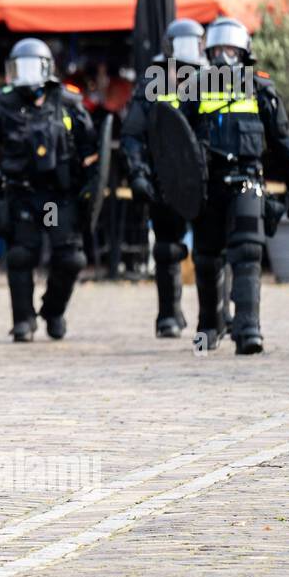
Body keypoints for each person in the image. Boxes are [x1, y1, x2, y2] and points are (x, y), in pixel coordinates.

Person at [186, 17, 289, 354]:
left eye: (231, 48)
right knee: (207, 258)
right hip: (207, 186)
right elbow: (174, 143)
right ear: (209, 51)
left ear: (244, 51)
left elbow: (283, 143)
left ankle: (248, 328)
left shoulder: (261, 88)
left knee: (247, 252)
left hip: (247, 182)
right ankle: (208, 326)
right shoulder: (193, 88)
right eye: (219, 49)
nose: (225, 55)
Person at [0, 39, 100, 342]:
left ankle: (53, 310)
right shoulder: (3, 105)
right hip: (22, 193)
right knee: (22, 254)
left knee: (69, 258)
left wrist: (90, 184)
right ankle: (23, 319)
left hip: (57, 197)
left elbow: (90, 148)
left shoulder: (67, 102)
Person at [122, 18, 206, 338]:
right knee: (168, 248)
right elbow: (132, 135)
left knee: (212, 250)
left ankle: (217, 316)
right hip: (165, 177)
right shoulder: (151, 84)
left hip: (205, 177)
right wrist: (139, 174)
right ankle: (168, 314)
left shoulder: (214, 79)